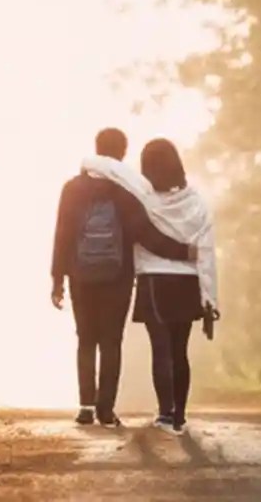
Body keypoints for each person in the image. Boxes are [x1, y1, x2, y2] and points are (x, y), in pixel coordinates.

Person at [51, 128, 197, 427]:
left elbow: (63, 235)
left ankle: (85, 407)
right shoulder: (125, 191)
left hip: (80, 274)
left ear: (96, 148)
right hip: (117, 277)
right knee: (111, 341)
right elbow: (145, 234)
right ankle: (106, 409)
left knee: (85, 339)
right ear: (122, 153)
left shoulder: (71, 188)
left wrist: (57, 279)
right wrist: (184, 251)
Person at [81, 138, 217, 436]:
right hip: (188, 282)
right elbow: (206, 252)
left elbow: (112, 170)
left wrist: (88, 162)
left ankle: (165, 413)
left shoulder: (144, 196)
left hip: (154, 280)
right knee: (180, 351)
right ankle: (178, 416)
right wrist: (210, 299)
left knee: (162, 349)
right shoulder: (197, 202)